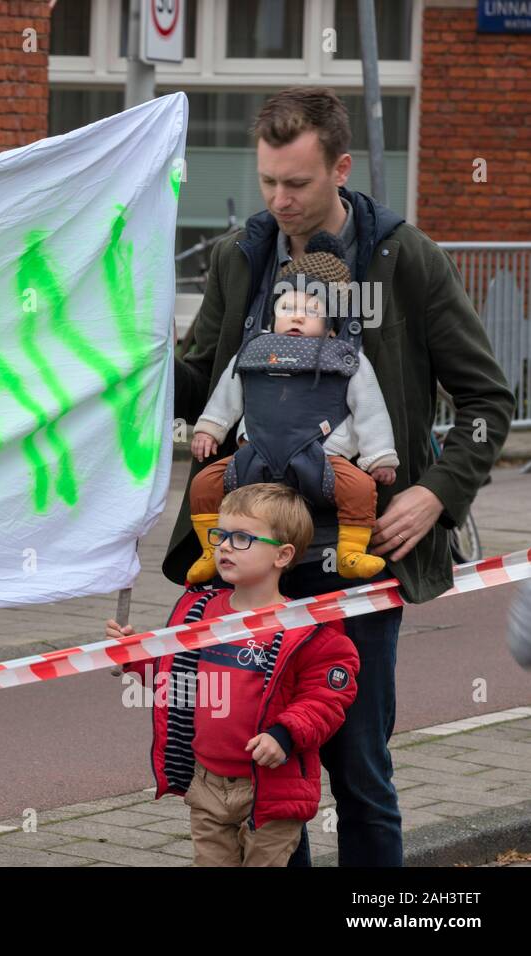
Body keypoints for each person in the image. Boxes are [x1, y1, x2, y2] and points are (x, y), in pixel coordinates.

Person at [165, 87, 514, 866]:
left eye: (297, 183)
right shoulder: (240, 258)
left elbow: (490, 400)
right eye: (267, 183)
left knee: (357, 772)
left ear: (342, 169)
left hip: (357, 561)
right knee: (264, 774)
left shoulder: (402, 259)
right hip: (254, 566)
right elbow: (200, 386)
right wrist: (141, 361)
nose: (280, 201)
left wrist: (436, 494)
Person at [112, 483, 359, 866]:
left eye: (242, 537)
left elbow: (327, 697)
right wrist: (134, 656)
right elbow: (175, 675)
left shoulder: (306, 626)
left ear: (283, 554)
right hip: (206, 782)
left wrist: (285, 734)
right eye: (221, 535)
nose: (224, 546)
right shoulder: (197, 611)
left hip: (272, 787)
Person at [186, 231, 398, 583]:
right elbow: (229, 391)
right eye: (287, 309)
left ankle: (349, 553)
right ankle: (210, 551)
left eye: (311, 311)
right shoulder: (254, 351)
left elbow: (371, 409)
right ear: (272, 315)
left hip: (321, 459)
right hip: (254, 455)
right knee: (203, 484)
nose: (297, 318)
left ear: (332, 325)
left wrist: (379, 457)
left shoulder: (346, 358)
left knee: (360, 490)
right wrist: (210, 428)